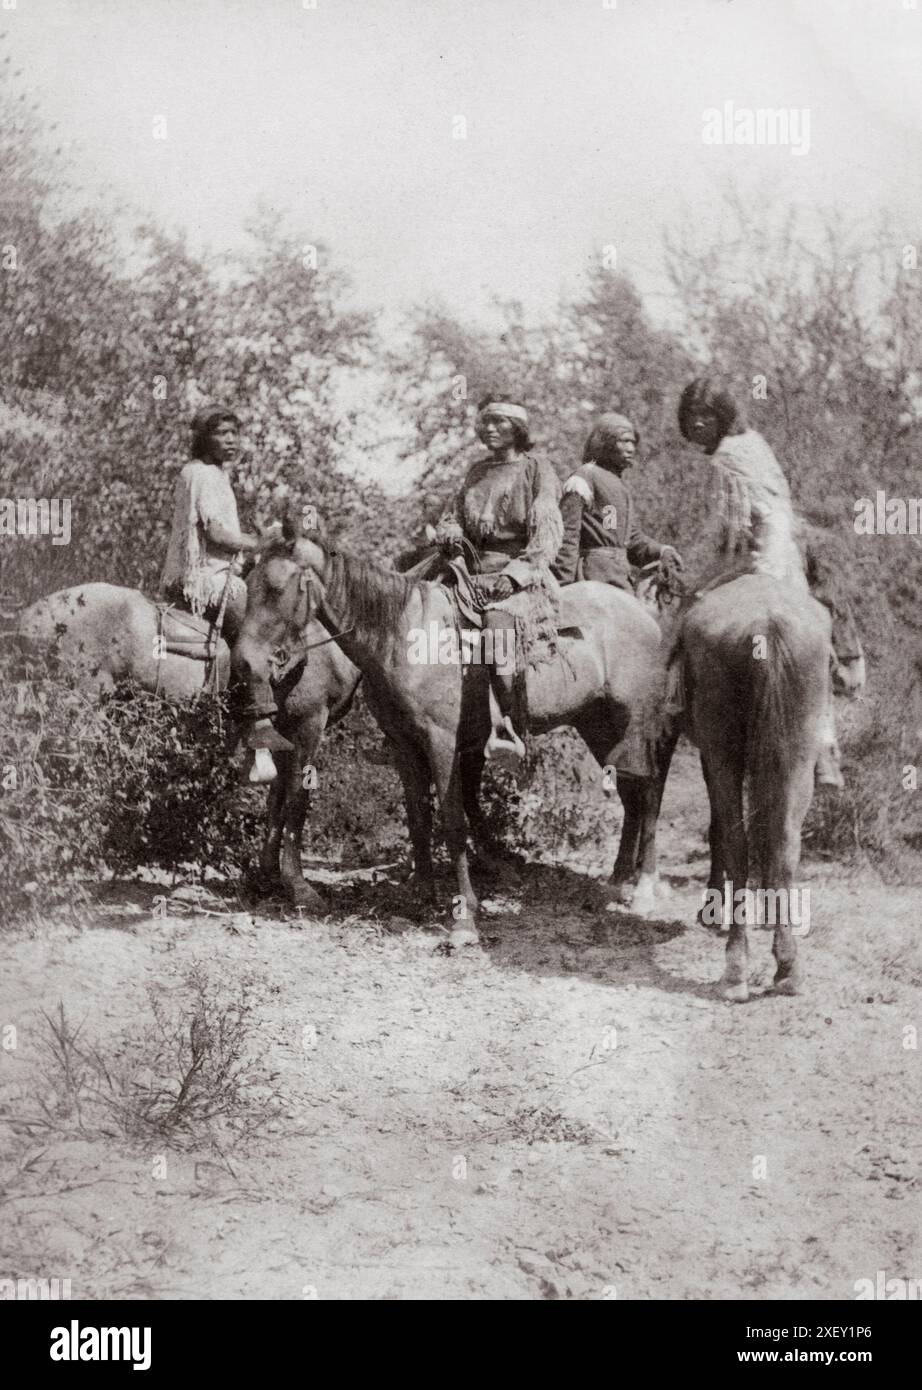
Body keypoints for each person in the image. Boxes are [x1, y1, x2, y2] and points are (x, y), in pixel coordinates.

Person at [675, 378, 842, 787]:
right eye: (693, 417)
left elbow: (726, 526)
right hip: (787, 560)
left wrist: (692, 572)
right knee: (819, 645)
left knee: (681, 621)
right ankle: (824, 750)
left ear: (722, 417)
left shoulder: (724, 460)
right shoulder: (756, 444)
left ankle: (673, 708)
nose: (699, 425)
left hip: (754, 557)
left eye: (707, 416)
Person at [160, 404, 293, 782]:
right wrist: (258, 541)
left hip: (193, 575)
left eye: (235, 433)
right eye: (222, 433)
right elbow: (217, 534)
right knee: (254, 636)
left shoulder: (206, 473)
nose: (231, 440)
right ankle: (259, 729)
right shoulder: (204, 474)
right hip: (207, 579)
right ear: (204, 437)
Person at [435, 395, 563, 771]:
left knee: (496, 631)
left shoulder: (537, 468)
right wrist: (452, 535)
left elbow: (546, 537)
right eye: (485, 422)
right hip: (469, 571)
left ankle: (511, 728)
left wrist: (515, 575)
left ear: (518, 429)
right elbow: (450, 516)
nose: (490, 429)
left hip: (519, 575)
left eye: (499, 422)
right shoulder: (475, 472)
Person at [553, 412, 683, 590]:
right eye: (624, 441)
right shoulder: (585, 476)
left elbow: (630, 539)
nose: (631, 448)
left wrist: (661, 550)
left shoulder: (619, 485)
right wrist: (563, 585)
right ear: (604, 442)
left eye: (633, 442)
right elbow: (567, 536)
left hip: (621, 577)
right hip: (592, 577)